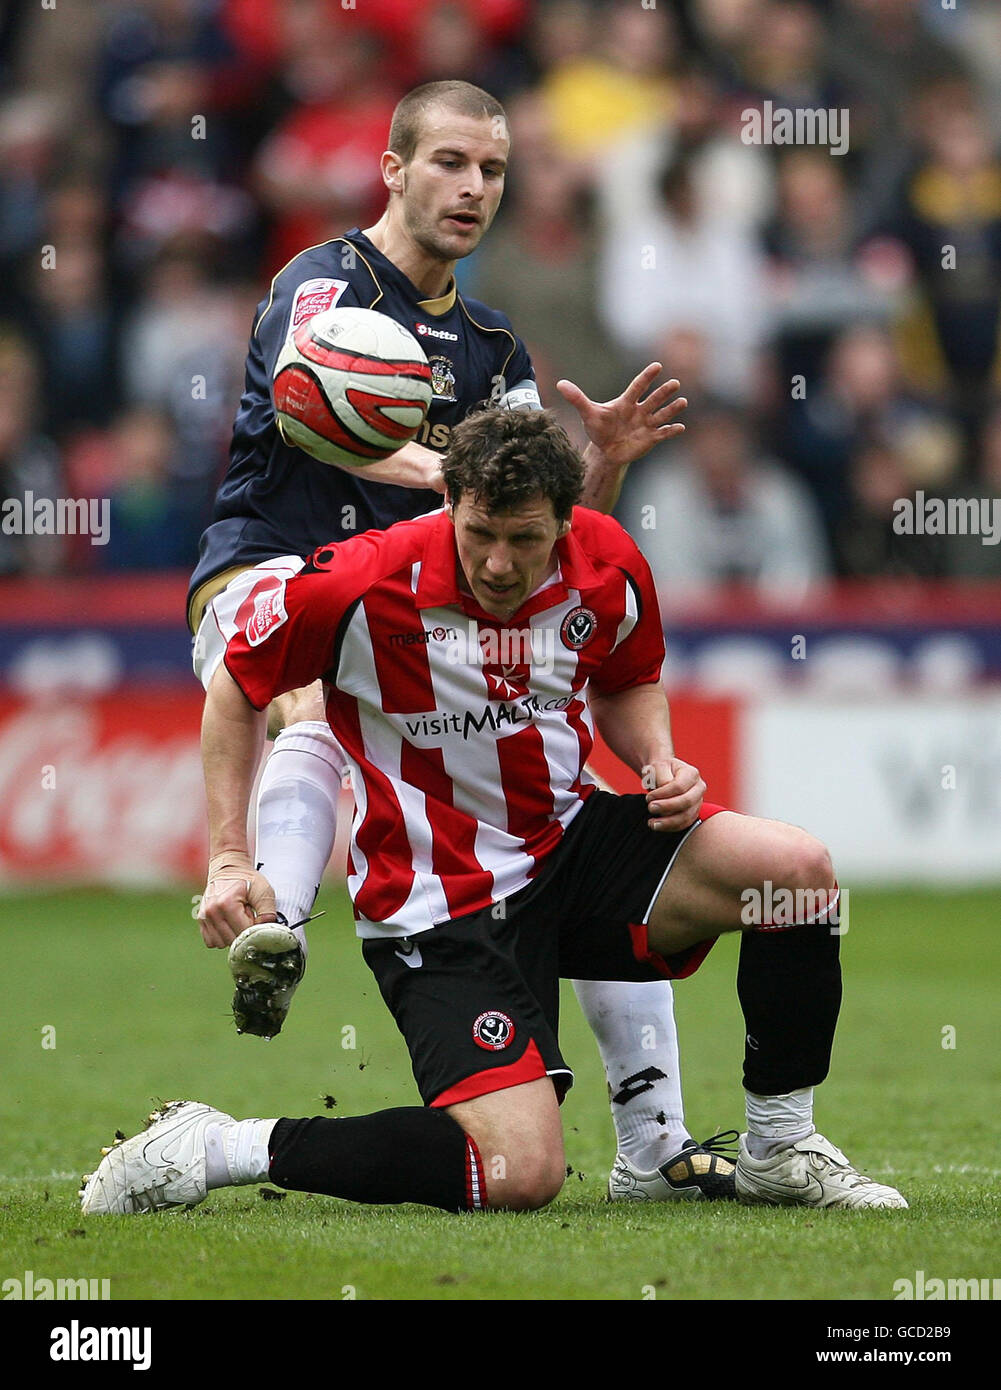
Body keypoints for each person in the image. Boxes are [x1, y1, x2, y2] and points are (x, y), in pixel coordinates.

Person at [81, 408, 907, 1216]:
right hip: (439, 906)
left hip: (569, 847)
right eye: (480, 534)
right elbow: (237, 684)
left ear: (565, 520)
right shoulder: (361, 581)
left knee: (795, 875)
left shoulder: (605, 560)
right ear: (450, 506)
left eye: (525, 539)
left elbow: (625, 678)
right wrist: (229, 857)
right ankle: (215, 1146)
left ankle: (778, 1152)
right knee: (518, 1173)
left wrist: (655, 758)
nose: (501, 564)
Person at [185, 79, 726, 1202]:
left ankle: (653, 1135)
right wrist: (451, 474)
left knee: (560, 788)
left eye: (490, 170)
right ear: (390, 169)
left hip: (421, 608)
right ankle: (268, 911)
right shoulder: (324, 284)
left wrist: (598, 461)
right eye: (446, 163)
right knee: (305, 702)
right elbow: (308, 411)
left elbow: (550, 523)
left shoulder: (488, 344)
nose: (471, 188)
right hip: (275, 563)